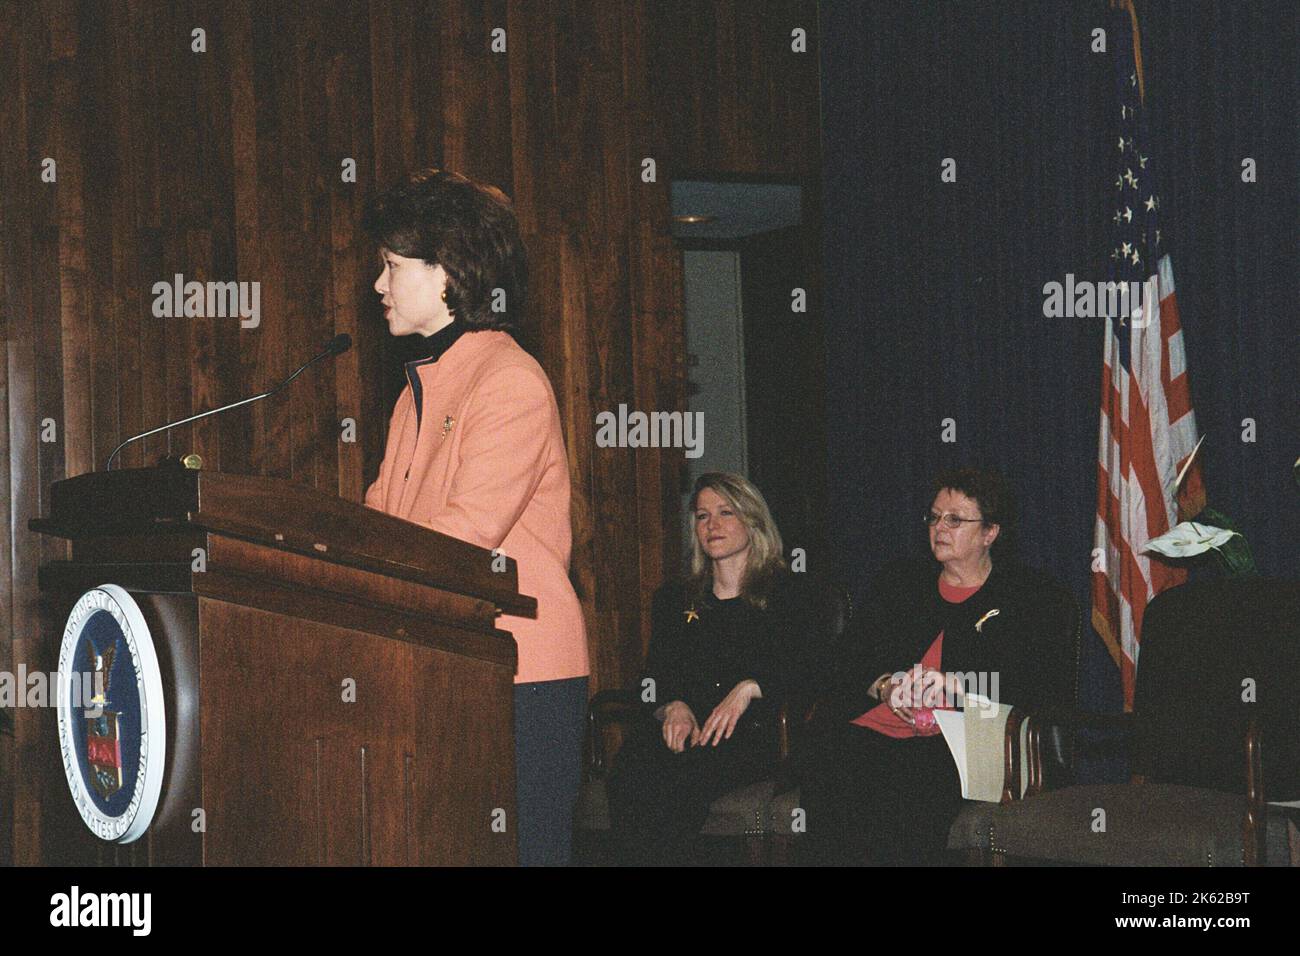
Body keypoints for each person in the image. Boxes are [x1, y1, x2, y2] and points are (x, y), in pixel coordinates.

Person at [361, 168, 588, 866]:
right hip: (440, 664)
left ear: (449, 272)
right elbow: (378, 525)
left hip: (520, 678)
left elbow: (460, 546)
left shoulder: (510, 380)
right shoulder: (416, 393)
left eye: (392, 267)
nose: (378, 285)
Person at [802, 467, 1073, 865]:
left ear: (990, 532)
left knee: (908, 774)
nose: (939, 528)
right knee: (835, 758)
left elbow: (1036, 687)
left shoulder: (1029, 597)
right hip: (881, 728)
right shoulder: (900, 583)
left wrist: (958, 686)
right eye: (934, 517)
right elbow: (844, 660)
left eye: (955, 519)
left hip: (970, 739)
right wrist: (885, 686)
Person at [606, 472, 819, 865]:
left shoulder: (790, 593)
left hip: (755, 732)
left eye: (725, 512)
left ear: (752, 521)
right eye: (702, 516)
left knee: (679, 779)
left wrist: (749, 687)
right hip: (687, 729)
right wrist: (671, 704)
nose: (713, 525)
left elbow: (811, 669)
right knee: (633, 766)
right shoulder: (676, 599)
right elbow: (652, 678)